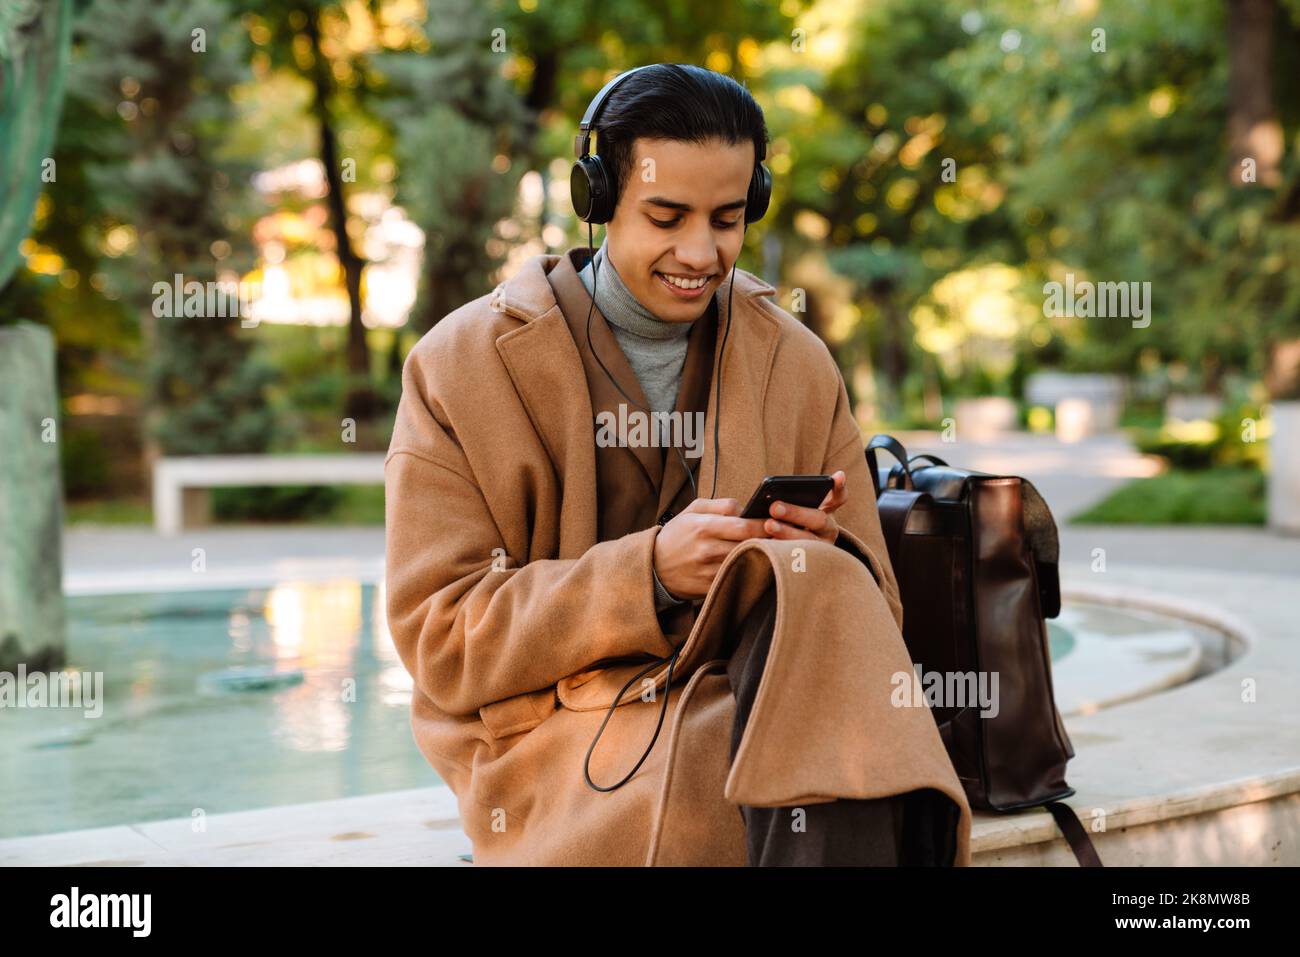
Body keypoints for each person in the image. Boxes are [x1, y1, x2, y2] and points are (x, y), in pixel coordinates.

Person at [384, 63, 972, 866]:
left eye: (728, 219)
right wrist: (648, 573)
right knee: (820, 760)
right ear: (596, 200)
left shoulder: (796, 363)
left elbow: (877, 617)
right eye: (667, 216)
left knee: (825, 617)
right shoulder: (460, 366)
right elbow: (442, 637)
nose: (702, 252)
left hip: (760, 699)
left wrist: (816, 553)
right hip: (546, 732)